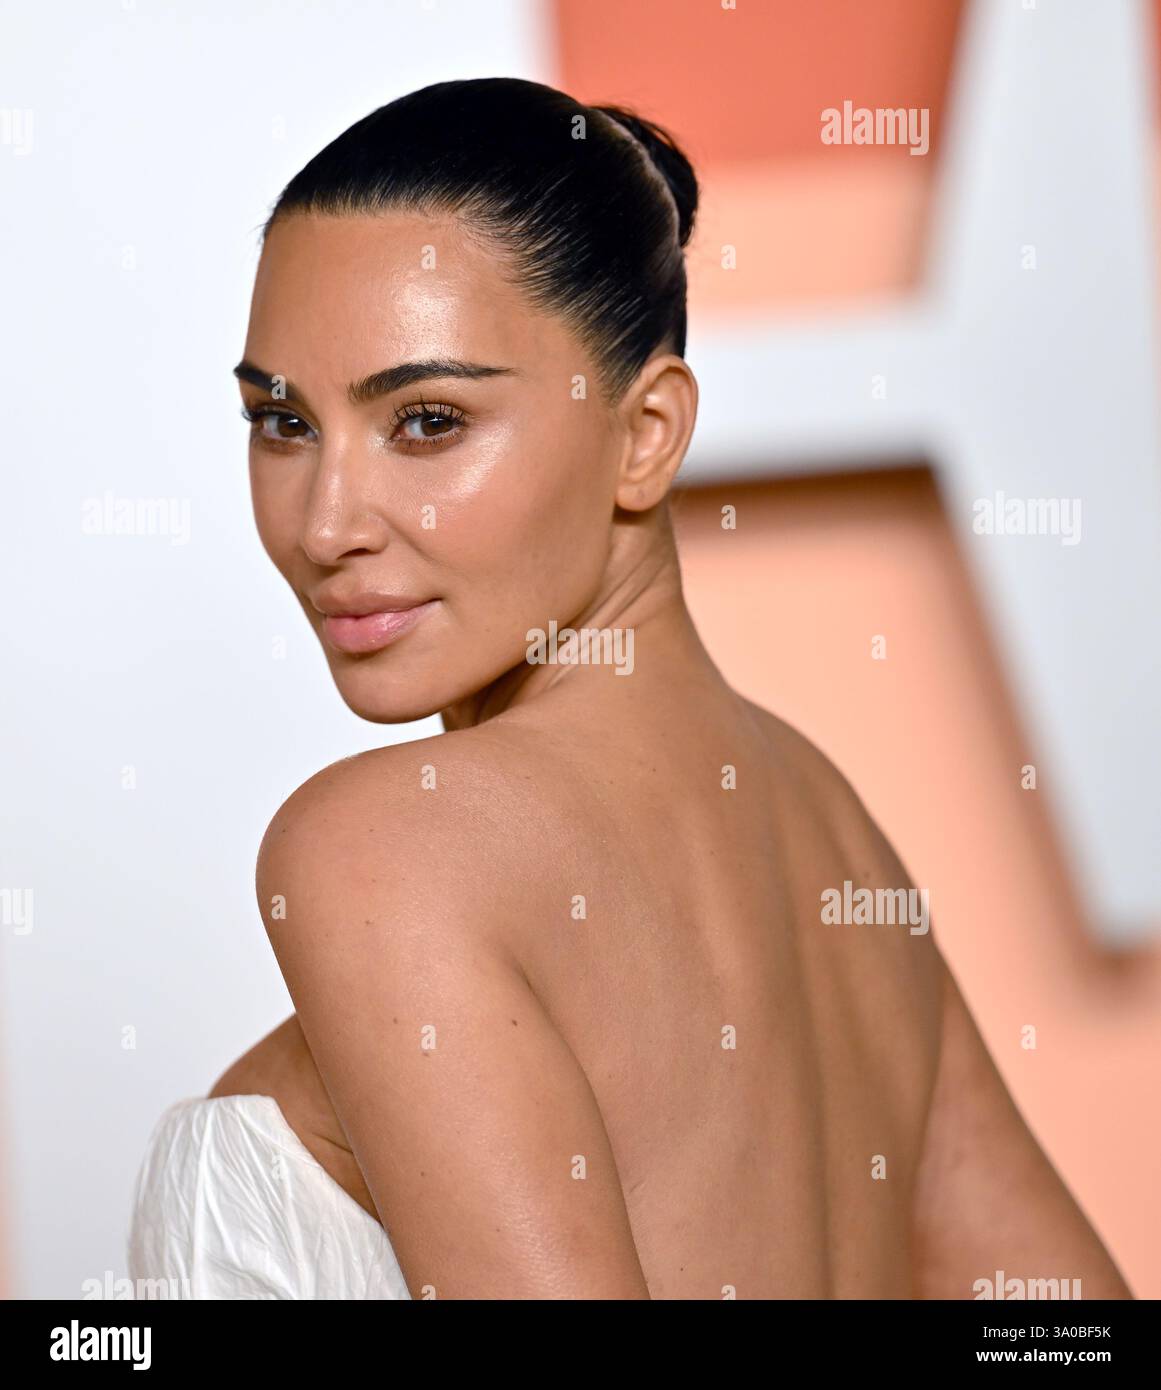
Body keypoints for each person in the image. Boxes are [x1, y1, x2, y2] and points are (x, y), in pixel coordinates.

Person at [127, 76, 1132, 1301]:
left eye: (428, 420)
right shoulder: (834, 835)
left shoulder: (384, 847)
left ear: (647, 432)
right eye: (281, 423)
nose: (325, 521)